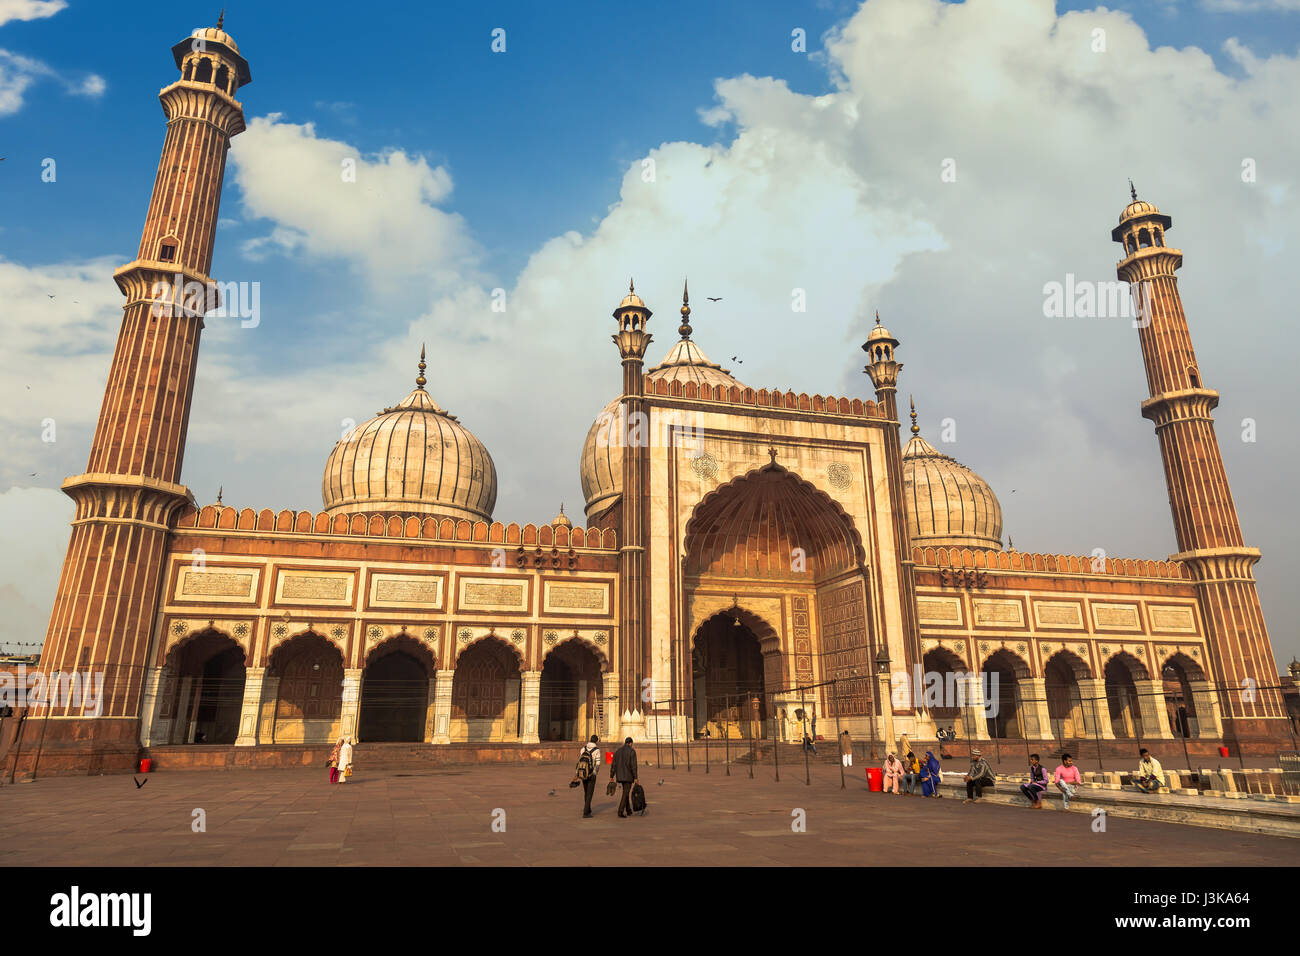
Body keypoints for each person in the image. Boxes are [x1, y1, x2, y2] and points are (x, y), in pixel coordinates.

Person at [611, 736, 639, 818]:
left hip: (620, 775)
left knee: (625, 792)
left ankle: (628, 810)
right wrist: (636, 777)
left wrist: (611, 775)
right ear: (630, 743)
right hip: (628, 776)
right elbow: (634, 766)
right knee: (625, 793)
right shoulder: (632, 751)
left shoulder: (618, 751)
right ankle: (620, 811)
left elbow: (614, 764)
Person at [575, 733, 601, 818]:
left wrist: (577, 773)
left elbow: (580, 761)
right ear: (596, 741)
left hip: (583, 773)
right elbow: (598, 763)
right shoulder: (597, 750)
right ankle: (586, 812)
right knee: (590, 793)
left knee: (586, 792)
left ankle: (588, 809)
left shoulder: (583, 748)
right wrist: (595, 773)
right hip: (591, 774)